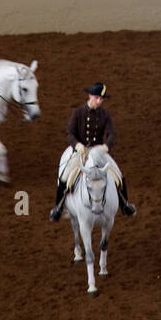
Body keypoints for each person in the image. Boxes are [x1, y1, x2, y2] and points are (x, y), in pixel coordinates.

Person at [48, 82, 136, 220]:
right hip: (80, 151)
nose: (99, 101)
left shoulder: (105, 115)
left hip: (98, 151)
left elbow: (111, 134)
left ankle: (125, 205)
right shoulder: (78, 113)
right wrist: (77, 145)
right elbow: (69, 133)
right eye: (97, 98)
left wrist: (106, 146)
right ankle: (58, 208)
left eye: (101, 99)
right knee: (65, 177)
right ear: (90, 96)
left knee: (118, 175)